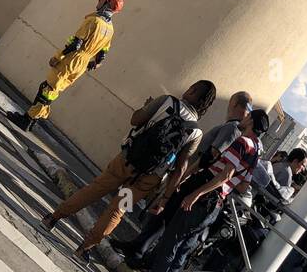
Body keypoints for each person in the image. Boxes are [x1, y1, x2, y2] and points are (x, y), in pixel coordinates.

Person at [40, 81, 215, 260]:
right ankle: (85, 248)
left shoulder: (167, 101)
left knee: (94, 190)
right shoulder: (196, 133)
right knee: (118, 210)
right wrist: (164, 198)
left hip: (127, 160)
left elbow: (136, 120)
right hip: (148, 178)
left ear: (192, 91)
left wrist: (147, 106)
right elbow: (180, 168)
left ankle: (53, 218)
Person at [123, 108, 269, 272]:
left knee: (169, 244)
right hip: (216, 203)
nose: (243, 118)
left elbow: (224, 175)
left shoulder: (243, 142)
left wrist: (197, 193)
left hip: (205, 194)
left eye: (247, 116)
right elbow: (243, 185)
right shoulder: (256, 152)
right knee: (180, 251)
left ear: (252, 121)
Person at [114, 90, 253, 268]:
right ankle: (138, 247)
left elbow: (209, 156)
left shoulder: (231, 129)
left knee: (165, 215)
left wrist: (184, 176)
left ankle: (141, 252)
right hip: (194, 180)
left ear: (234, 104)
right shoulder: (234, 130)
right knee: (163, 216)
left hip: (193, 178)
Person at [7, 0, 123, 131]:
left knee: (47, 89)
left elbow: (75, 44)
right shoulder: (110, 30)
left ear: (107, 4)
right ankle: (32, 120)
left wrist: (58, 57)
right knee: (52, 92)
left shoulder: (94, 21)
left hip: (72, 58)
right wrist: (92, 63)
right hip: (82, 64)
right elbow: (102, 55)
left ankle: (27, 121)